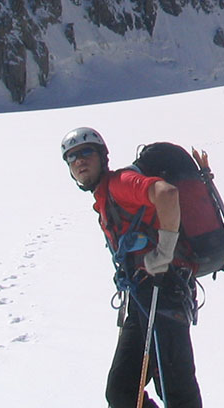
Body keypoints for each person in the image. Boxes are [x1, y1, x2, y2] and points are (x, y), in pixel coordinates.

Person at [62, 126, 203, 408]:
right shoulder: (104, 199)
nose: (79, 161)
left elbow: (166, 193)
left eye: (86, 152)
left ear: (103, 156)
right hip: (143, 300)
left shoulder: (120, 183)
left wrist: (164, 251)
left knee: (177, 393)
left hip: (164, 294)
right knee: (122, 392)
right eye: (72, 157)